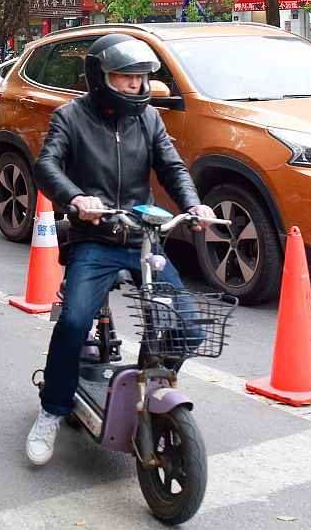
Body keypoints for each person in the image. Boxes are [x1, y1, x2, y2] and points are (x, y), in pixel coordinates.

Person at [24, 33, 215, 466]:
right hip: (95, 240)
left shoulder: (148, 118)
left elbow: (171, 167)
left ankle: (147, 386)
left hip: (143, 238)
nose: (135, 85)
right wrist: (76, 198)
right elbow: (47, 165)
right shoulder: (70, 116)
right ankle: (51, 410)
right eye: (125, 77)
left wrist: (193, 204)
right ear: (99, 77)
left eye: (141, 77)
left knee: (188, 327)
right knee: (74, 321)